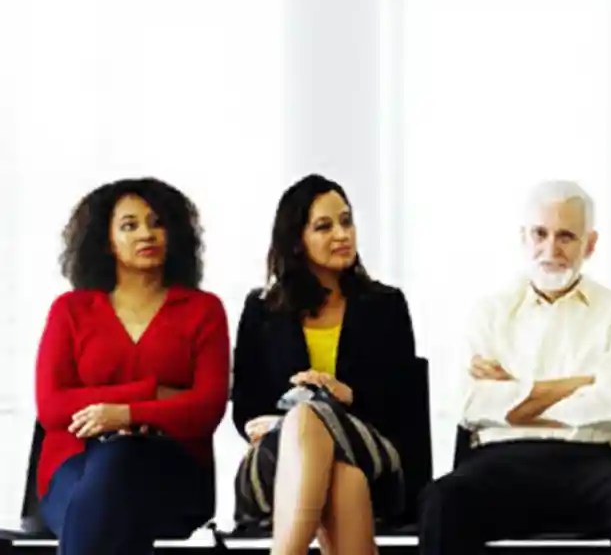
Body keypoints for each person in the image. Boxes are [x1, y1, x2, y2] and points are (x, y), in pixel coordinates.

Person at [418, 180, 611, 555]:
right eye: (540, 233)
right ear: (523, 237)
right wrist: (577, 385)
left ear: (590, 244)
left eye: (566, 236)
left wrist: (515, 392)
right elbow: (470, 404)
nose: (550, 249)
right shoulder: (488, 312)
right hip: (500, 463)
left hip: (591, 464)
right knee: (441, 501)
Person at [35, 178, 230, 554]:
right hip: (74, 468)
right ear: (106, 240)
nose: (147, 234)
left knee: (118, 470)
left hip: (173, 473)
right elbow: (52, 406)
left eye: (157, 223)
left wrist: (124, 413)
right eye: (130, 225)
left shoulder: (203, 310)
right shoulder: (70, 310)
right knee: (107, 497)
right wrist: (150, 395)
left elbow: (206, 409)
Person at [232, 174, 420, 555]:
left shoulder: (386, 305)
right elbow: (246, 410)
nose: (342, 234)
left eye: (346, 221)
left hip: (372, 453)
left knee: (315, 426)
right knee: (334, 466)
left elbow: (403, 405)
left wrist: (344, 395)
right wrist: (293, 425)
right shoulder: (262, 310)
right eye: (324, 226)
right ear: (296, 241)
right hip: (278, 459)